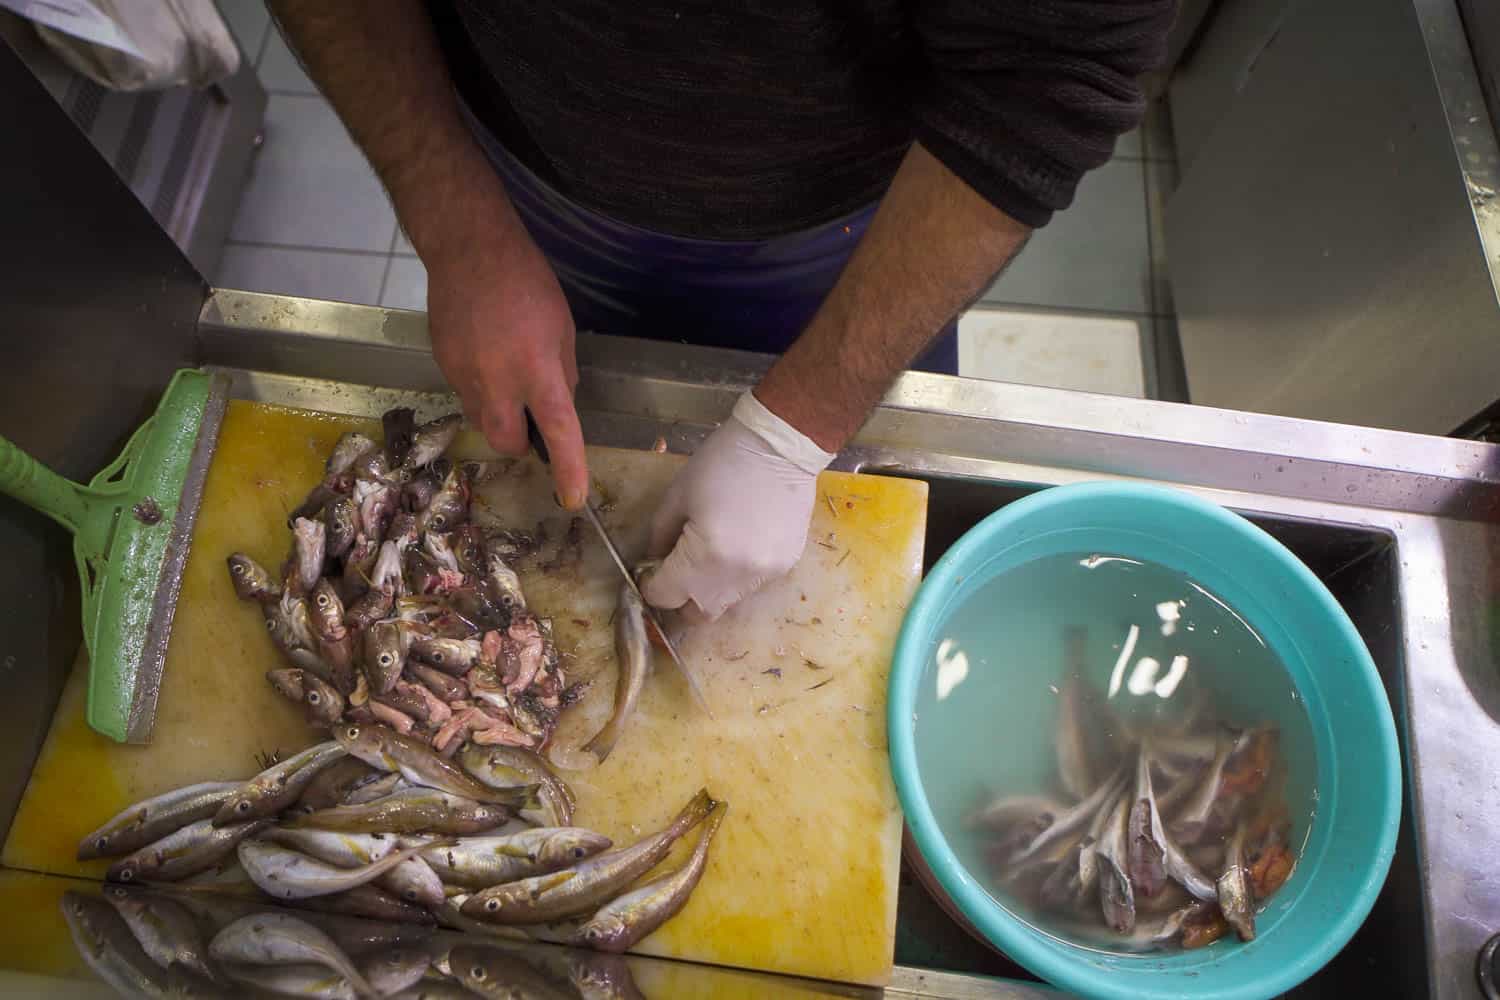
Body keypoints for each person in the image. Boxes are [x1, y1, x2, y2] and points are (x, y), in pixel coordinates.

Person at [271, 1, 1173, 622]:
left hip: (861, 232)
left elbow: (1051, 73)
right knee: (548, 454)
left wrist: (799, 428)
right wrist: (452, 216)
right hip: (520, 183)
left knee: (850, 505)